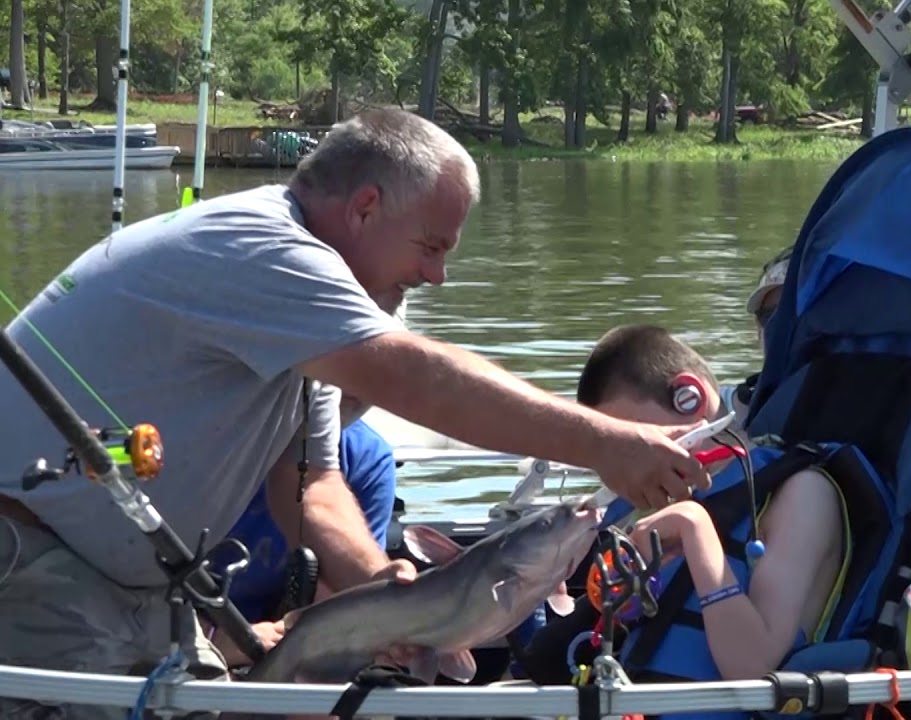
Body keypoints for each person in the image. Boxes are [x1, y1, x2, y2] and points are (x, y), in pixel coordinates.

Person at [0, 108, 709, 717]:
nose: (436, 276)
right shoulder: (263, 247)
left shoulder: (302, 328)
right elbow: (415, 376)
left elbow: (307, 487)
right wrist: (609, 443)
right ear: (365, 208)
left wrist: (385, 589)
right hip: (34, 561)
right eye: (431, 247)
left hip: (131, 588)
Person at [522, 324, 846, 683]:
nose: (622, 464)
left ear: (689, 398)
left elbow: (752, 666)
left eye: (631, 439)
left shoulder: (802, 495)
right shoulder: (656, 501)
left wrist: (694, 527)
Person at [207, 415, 398, 668]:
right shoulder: (201, 442)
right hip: (177, 632)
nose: (356, 387)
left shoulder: (368, 456)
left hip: (283, 639)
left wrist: (384, 590)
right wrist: (214, 641)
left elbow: (330, 605)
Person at [721, 246, 791, 420]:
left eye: (790, 311)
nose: (777, 325)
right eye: (769, 315)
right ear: (758, 329)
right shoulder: (719, 409)